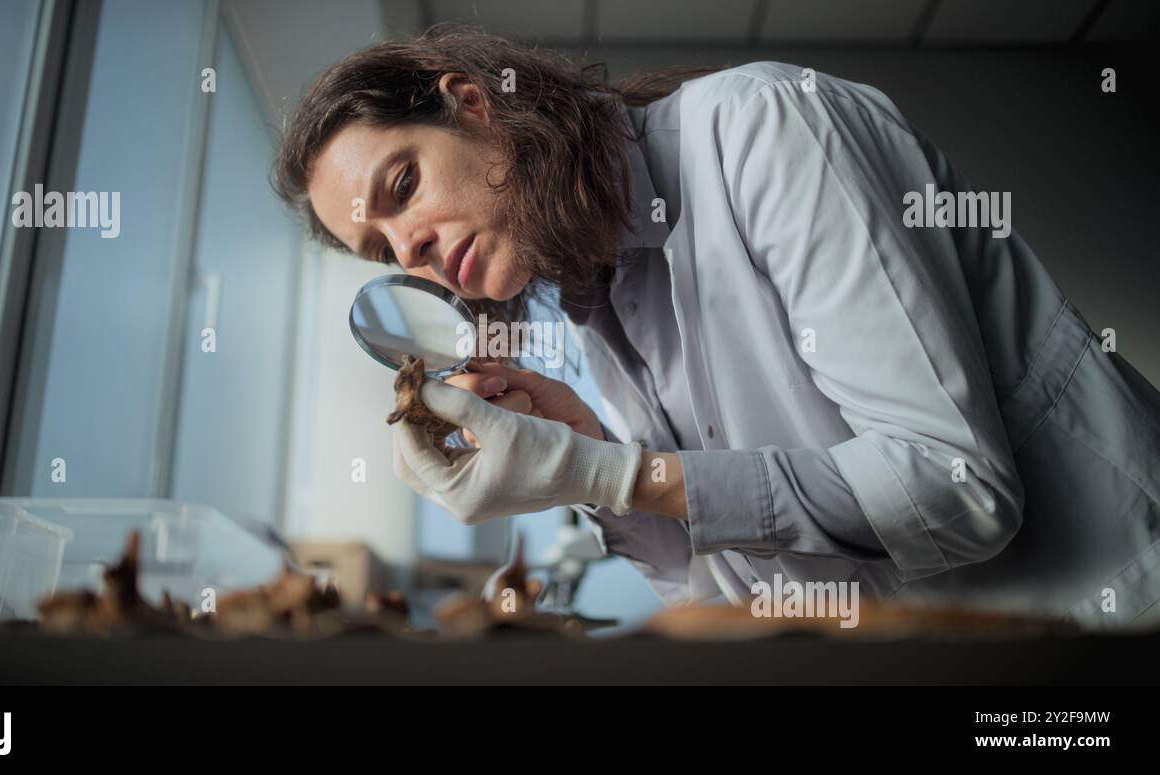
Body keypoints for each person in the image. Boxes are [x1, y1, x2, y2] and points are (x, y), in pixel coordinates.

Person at [275, 28, 1160, 629]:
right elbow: (731, 584)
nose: (410, 245)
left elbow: (957, 490)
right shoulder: (592, 295)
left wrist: (624, 470)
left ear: (472, 104)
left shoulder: (765, 131)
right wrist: (582, 460)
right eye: (380, 248)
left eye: (402, 187)